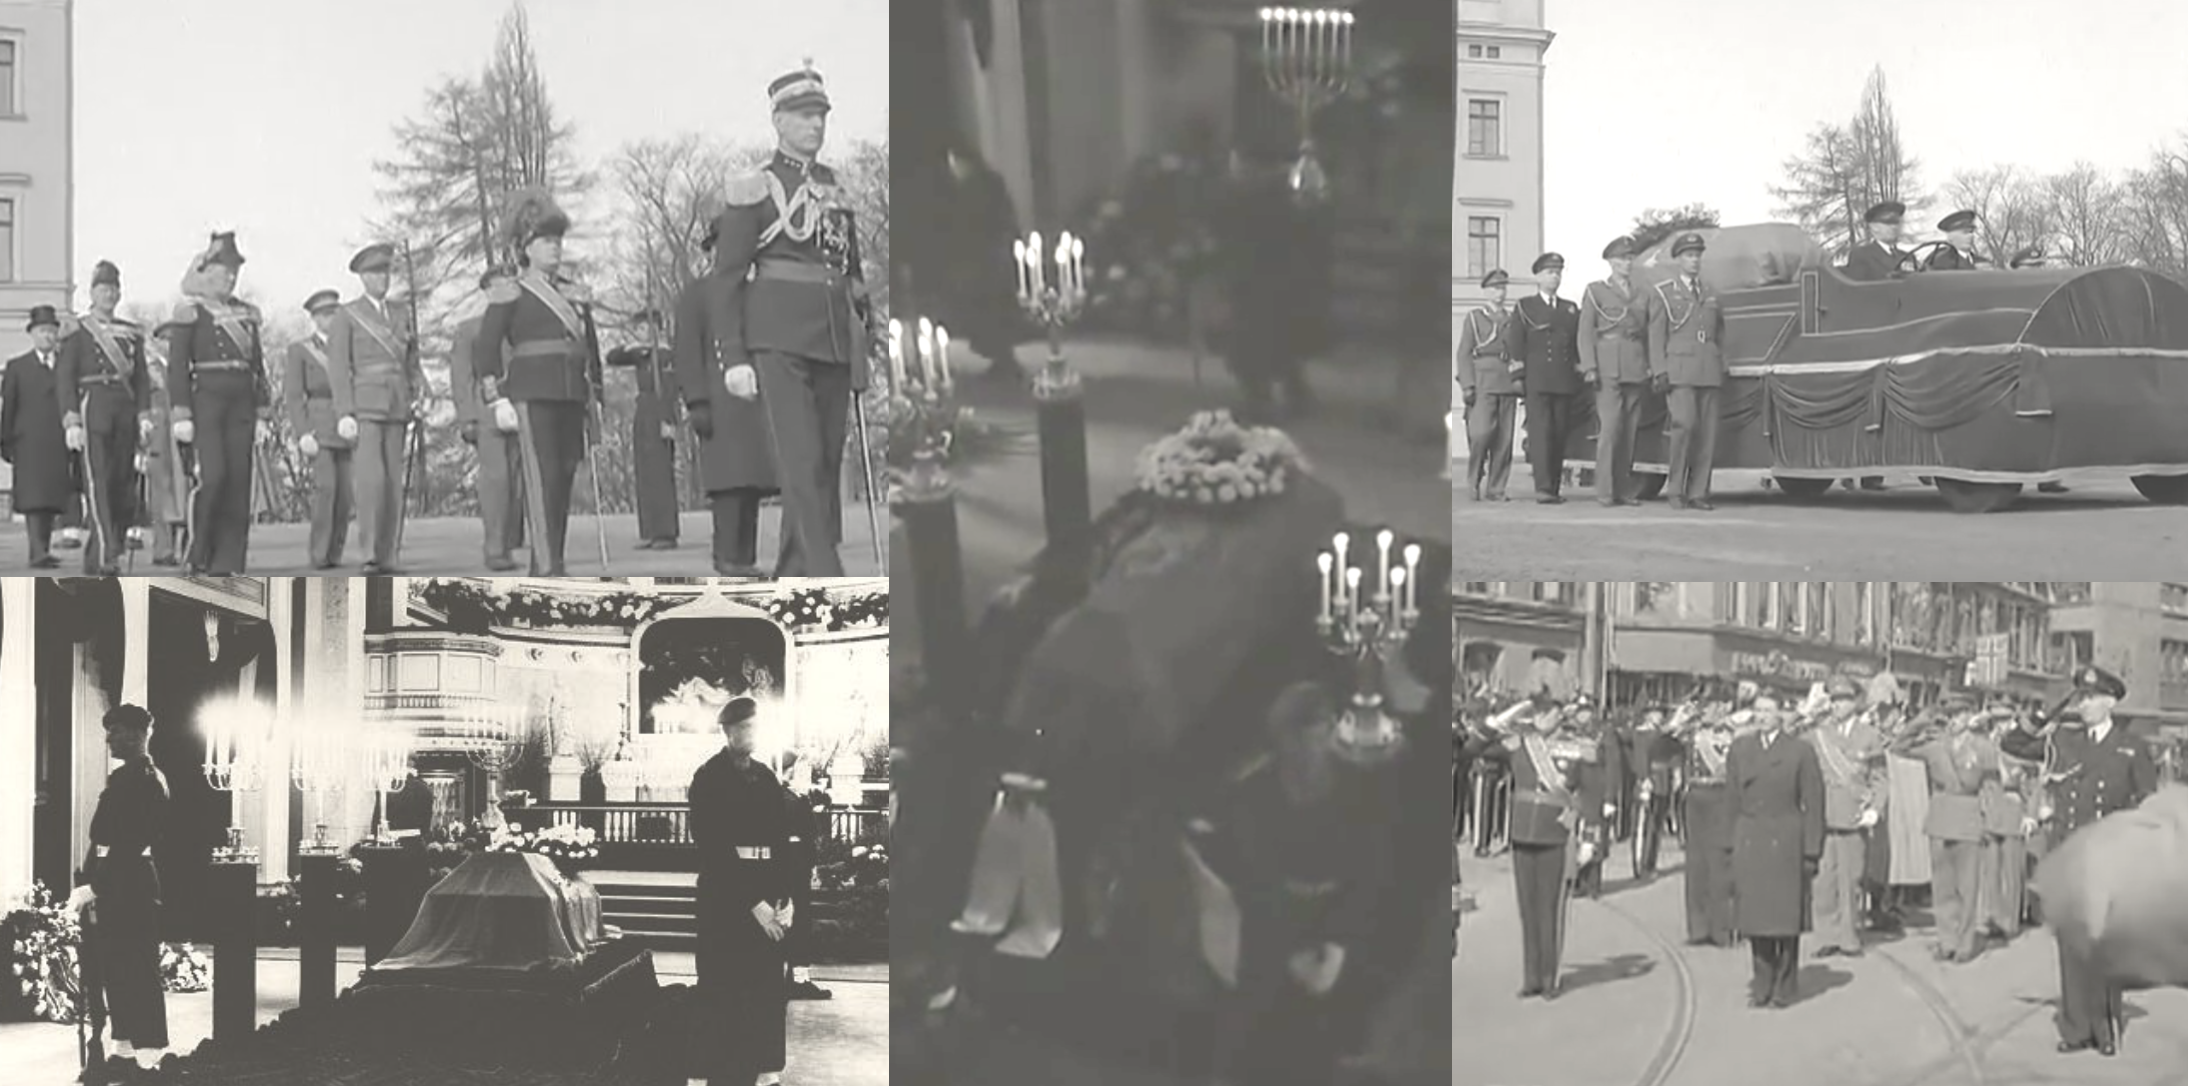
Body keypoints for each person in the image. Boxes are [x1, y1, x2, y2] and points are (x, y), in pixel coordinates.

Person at [706, 62, 871, 576]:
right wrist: (734, 356)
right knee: (800, 463)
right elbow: (727, 279)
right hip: (778, 339)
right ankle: (828, 576)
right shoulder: (755, 187)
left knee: (824, 464)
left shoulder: (834, 186)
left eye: (821, 115)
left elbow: (851, 271)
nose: (816, 125)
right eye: (803, 116)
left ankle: (796, 577)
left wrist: (864, 328)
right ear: (778, 121)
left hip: (833, 338)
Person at [1205, 680, 1396, 1085]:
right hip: (1268, 938)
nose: (1309, 743)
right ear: (1280, 738)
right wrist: (1289, 950)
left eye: (1318, 729)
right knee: (1254, 1051)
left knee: (1321, 1052)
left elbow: (1370, 876)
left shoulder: (1360, 795)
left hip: (1336, 937)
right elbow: (1249, 878)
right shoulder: (1252, 795)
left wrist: (1337, 942)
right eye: (1297, 733)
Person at [2003, 665, 2155, 1057]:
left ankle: (2104, 1028)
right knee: (2071, 946)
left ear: (2110, 702)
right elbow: (2013, 744)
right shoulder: (2064, 740)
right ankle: (2076, 1029)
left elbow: (2147, 805)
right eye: (2080, 698)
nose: (2084, 705)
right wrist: (2048, 711)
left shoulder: (2131, 747)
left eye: (2090, 698)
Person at [475, 192, 603, 577]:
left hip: (570, 393)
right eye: (546, 241)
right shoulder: (511, 290)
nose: (555, 247)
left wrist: (596, 393)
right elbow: (486, 346)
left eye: (558, 240)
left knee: (563, 477)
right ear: (527, 248)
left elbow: (589, 347)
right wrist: (496, 398)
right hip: (532, 393)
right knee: (541, 479)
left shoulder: (573, 293)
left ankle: (551, 559)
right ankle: (547, 567)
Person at [686, 696, 791, 1086]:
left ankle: (763, 1066)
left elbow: (781, 840)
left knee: (767, 985)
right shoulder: (708, 777)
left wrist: (785, 899)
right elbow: (713, 848)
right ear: (728, 732)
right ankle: (718, 1071)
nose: (753, 733)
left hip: (767, 885)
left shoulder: (766, 776)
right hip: (724, 896)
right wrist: (754, 904)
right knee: (723, 985)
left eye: (756, 726)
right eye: (746, 727)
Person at [68, 704, 172, 1076]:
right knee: (116, 968)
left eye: (115, 731)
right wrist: (89, 880)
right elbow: (103, 839)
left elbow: (131, 843)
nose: (109, 739)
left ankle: (149, 1058)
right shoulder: (125, 777)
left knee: (138, 969)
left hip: (132, 884)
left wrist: (95, 887)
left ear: (137, 733)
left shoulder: (145, 779)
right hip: (116, 882)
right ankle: (125, 1051)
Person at [675, 222, 782, 577]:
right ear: (711, 251)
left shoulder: (756, 291)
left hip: (754, 399)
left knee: (751, 482)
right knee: (728, 483)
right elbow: (687, 351)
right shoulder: (697, 294)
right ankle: (726, 555)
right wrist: (696, 400)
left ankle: (744, 557)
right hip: (718, 399)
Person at [167, 232, 274, 575]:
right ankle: (197, 552)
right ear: (206, 272)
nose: (230, 277)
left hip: (241, 402)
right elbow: (177, 366)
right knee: (211, 478)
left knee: (238, 483)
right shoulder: (190, 312)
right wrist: (181, 412)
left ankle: (228, 560)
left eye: (233, 271)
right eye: (223, 270)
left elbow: (257, 365)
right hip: (206, 401)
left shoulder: (246, 314)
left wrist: (262, 412)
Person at [327, 243, 425, 575]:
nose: (382, 279)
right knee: (371, 482)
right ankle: (369, 553)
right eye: (374, 273)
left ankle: (389, 554)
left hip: (397, 403)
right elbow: (338, 366)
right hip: (365, 405)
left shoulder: (401, 312)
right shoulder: (347, 314)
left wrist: (417, 393)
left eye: (385, 272)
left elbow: (411, 360)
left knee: (394, 483)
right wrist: (344, 411)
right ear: (362, 277)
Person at [1724, 692, 1824, 1008]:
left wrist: (1812, 851)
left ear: (1782, 714)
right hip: (1751, 839)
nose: (1763, 716)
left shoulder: (1800, 751)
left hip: (1786, 843)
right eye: (1758, 710)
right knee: (1756, 920)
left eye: (1769, 710)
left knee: (1785, 920)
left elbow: (1814, 803)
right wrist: (1729, 843)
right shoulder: (1741, 749)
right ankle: (1762, 982)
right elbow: (1731, 799)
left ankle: (1785, 984)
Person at [55, 263, 153, 575]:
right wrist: (71, 420)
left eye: (113, 289)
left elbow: (141, 378)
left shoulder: (131, 333)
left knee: (122, 486)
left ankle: (103, 550)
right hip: (92, 407)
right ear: (92, 293)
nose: (109, 295)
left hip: (124, 410)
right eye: (103, 289)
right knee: (97, 485)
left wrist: (144, 414)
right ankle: (107, 556)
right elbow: (64, 378)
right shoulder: (77, 331)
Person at [1500, 701, 1595, 998]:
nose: (1542, 717)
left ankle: (1549, 978)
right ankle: (1531, 978)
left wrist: (1589, 836)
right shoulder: (1520, 743)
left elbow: (1590, 792)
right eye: (1538, 712)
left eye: (1548, 712)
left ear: (1560, 715)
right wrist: (1519, 708)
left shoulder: (1575, 747)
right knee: (1527, 910)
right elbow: (1491, 731)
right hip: (1522, 833)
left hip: (1554, 833)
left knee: (1548, 909)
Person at [1894, 694, 1998, 963]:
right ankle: (1947, 941)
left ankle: (1964, 943)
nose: (1953, 720)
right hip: (1941, 817)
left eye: (1958, 715)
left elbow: (1991, 786)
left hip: (1969, 816)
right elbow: (1898, 747)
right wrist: (1921, 720)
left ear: (1969, 715)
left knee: (1967, 886)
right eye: (1949, 715)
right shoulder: (1935, 745)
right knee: (1943, 887)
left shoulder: (1983, 746)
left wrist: (1989, 822)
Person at [449, 267, 526, 571]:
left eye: (511, 284)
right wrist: (466, 417)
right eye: (501, 285)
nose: (508, 290)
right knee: (497, 480)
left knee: (518, 481)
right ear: (488, 292)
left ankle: (512, 540)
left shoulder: (522, 327)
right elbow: (461, 376)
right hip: (487, 411)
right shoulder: (470, 329)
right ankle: (495, 548)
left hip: (522, 407)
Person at [1646, 233, 1727, 512]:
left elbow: (1720, 331)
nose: (1694, 260)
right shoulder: (1664, 293)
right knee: (1684, 428)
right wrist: (1659, 370)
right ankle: (1676, 490)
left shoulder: (1711, 291)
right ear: (1678, 260)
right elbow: (1656, 335)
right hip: (1679, 371)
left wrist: (1721, 361)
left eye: (1697, 255)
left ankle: (1699, 492)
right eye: (1689, 256)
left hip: (1708, 369)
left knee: (1707, 435)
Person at [1806, 677, 1885, 958]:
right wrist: (1807, 714)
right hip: (1825, 817)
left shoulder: (1869, 735)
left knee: (1851, 881)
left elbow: (1879, 777)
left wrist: (1875, 808)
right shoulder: (1818, 733)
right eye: (1835, 700)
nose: (1837, 705)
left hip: (1853, 817)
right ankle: (1826, 937)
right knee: (1824, 883)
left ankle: (1849, 938)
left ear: (1855, 703)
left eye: (1843, 700)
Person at [1501, 253, 1582, 504]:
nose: (1554, 277)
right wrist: (1517, 376)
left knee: (1559, 434)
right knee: (1541, 434)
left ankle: (1554, 488)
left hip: (1564, 380)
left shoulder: (1570, 308)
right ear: (1537, 277)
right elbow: (1516, 342)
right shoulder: (1525, 306)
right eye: (1549, 272)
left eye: (1558, 272)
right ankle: (1543, 488)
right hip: (1537, 380)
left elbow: (1577, 345)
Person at [284, 289, 354, 569]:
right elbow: (294, 395)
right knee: (326, 489)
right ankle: (319, 553)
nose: (331, 319)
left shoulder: (350, 348)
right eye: (325, 315)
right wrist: (302, 431)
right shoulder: (300, 350)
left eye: (335, 313)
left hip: (348, 425)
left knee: (345, 495)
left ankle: (335, 553)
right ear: (315, 318)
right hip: (319, 426)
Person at [1577, 237, 1649, 506]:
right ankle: (1605, 491)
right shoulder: (1596, 291)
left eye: (1630, 258)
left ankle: (1624, 490)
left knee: (1630, 432)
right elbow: (1585, 332)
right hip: (1607, 366)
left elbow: (1648, 331)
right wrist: (1589, 366)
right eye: (1621, 259)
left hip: (1635, 364)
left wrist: (1650, 364)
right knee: (1610, 430)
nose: (1627, 263)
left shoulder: (1642, 293)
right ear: (1610, 262)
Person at [2, 305, 73, 568]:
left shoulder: (66, 366)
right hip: (28, 442)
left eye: (51, 331)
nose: (47, 336)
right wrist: (5, 440)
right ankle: (38, 551)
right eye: (42, 331)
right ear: (32, 334)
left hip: (57, 439)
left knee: (51, 497)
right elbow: (9, 406)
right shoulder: (17, 367)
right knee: (33, 497)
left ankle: (43, 548)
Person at [605, 311, 682, 551]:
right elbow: (612, 357)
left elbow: (671, 389)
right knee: (644, 471)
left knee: (660, 473)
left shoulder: (667, 355)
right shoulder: (642, 355)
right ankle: (649, 530)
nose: (638, 333)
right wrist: (633, 348)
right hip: (644, 409)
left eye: (642, 328)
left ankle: (665, 531)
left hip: (660, 410)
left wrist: (669, 419)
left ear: (654, 329)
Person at [1456, 269, 1519, 502]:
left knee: (1504, 440)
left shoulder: (1512, 319)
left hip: (1507, 381)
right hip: (1482, 381)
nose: (1499, 293)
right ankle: (1474, 481)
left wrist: (1519, 380)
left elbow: (1518, 351)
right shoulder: (1475, 318)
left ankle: (1496, 488)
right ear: (1485, 291)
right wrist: (1467, 385)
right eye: (1494, 288)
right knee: (1480, 434)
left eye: (1502, 288)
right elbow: (1463, 353)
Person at [1679, 701, 1737, 946]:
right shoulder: (1692, 731)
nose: (1710, 712)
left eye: (1715, 707)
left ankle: (1721, 928)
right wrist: (1682, 717)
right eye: (1706, 708)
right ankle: (1698, 927)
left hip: (1722, 795)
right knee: (1696, 863)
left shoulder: (1735, 731)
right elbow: (1663, 741)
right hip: (1695, 797)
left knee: (1719, 863)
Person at [1629, 705, 1682, 880]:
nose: (1659, 716)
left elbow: (1674, 751)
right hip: (1648, 780)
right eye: (1655, 713)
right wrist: (1644, 777)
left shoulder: (1663, 733)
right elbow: (1642, 755)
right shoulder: (1642, 733)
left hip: (1663, 781)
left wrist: (1676, 772)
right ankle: (1641, 865)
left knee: (1656, 825)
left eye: (1660, 714)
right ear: (1647, 715)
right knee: (1644, 826)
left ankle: (1650, 863)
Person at [1842, 201, 1907, 281]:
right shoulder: (1862, 255)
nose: (1894, 227)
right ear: (1874, 227)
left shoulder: (1907, 257)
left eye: (1897, 223)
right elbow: (1858, 286)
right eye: (1888, 223)